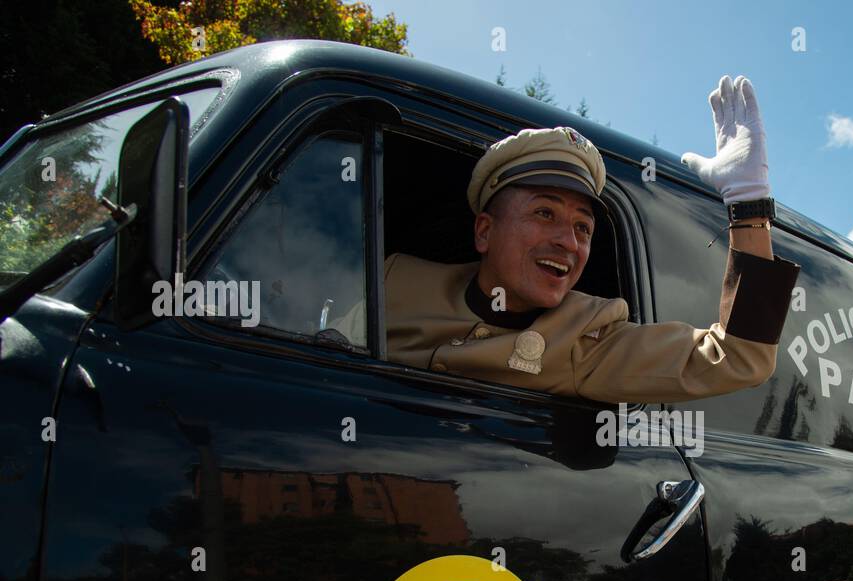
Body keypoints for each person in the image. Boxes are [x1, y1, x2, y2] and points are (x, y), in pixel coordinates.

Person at [330, 76, 800, 404]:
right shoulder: (393, 279)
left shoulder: (586, 336)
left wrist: (749, 206)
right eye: (544, 213)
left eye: (582, 228)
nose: (568, 243)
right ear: (484, 231)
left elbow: (739, 359)